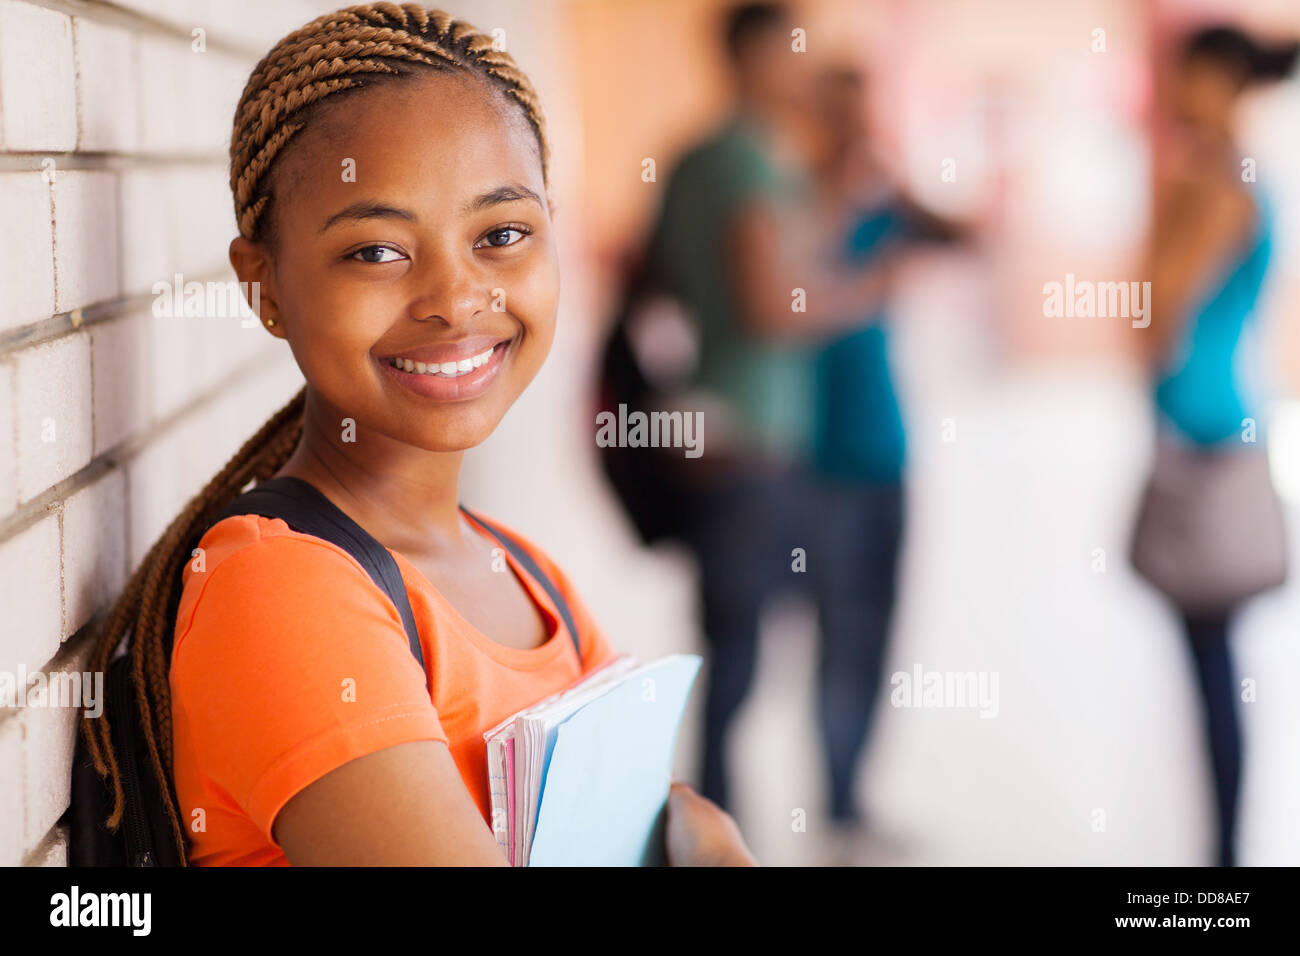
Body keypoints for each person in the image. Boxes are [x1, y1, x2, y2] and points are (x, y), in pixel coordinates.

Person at [80, 3, 755, 867]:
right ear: (265, 285)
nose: (454, 295)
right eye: (376, 251)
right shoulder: (281, 588)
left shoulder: (530, 579)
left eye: (502, 235)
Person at [639, 2, 895, 814]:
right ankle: (714, 828)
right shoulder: (751, 160)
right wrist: (862, 293)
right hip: (754, 442)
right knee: (747, 656)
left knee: (731, 648)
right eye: (794, 51)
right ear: (753, 57)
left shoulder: (690, 159)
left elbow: (665, 288)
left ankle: (710, 821)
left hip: (714, 425)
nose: (804, 70)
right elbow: (770, 305)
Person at [1141, 24, 1298, 867]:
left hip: (1209, 442)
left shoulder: (1217, 182)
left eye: (1183, 77)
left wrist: (1170, 203)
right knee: (1211, 659)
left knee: (1212, 664)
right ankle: (1224, 850)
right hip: (1215, 430)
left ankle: (1226, 863)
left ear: (1220, 82)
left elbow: (1152, 315)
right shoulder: (1234, 176)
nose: (1170, 93)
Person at [804, 63, 969, 845]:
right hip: (819, 460)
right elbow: (796, 300)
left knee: (877, 634)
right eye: (840, 117)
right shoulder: (797, 206)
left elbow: (963, 235)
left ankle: (853, 794)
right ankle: (834, 799)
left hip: (888, 449)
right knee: (838, 635)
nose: (855, 133)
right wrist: (844, 216)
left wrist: (896, 187)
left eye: (863, 116)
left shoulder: (886, 205)